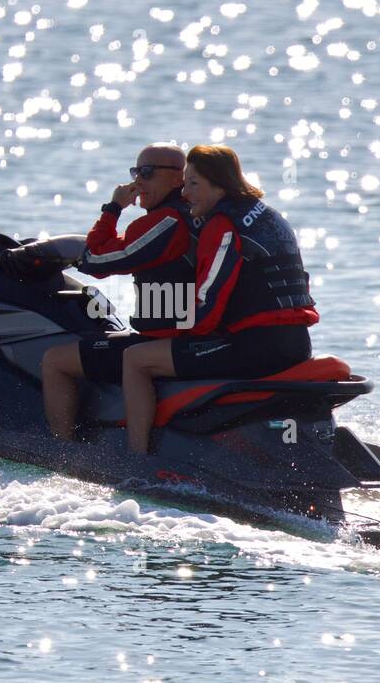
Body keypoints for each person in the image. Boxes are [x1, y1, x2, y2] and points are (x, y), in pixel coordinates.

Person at [120, 145, 318, 454]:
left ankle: (136, 458)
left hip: (257, 348)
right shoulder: (267, 215)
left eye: (194, 184)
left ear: (220, 185)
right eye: (184, 183)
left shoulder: (223, 226)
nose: (185, 193)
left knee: (136, 359)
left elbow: (206, 306)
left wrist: (168, 335)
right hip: (297, 343)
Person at [41, 144, 196, 440]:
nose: (138, 181)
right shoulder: (193, 216)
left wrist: (112, 209)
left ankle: (62, 453)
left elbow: (94, 261)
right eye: (135, 172)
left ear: (179, 178)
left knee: (55, 361)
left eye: (148, 172)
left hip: (165, 341)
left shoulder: (164, 222)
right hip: (182, 336)